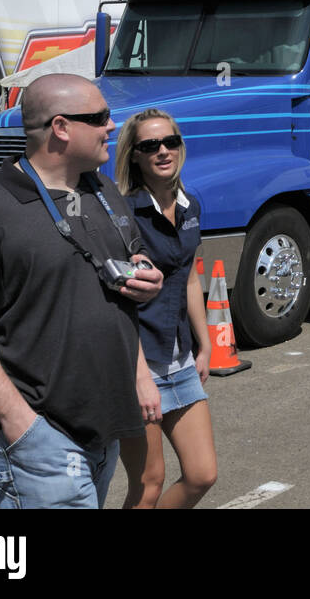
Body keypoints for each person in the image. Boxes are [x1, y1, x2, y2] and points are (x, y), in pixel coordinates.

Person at [0, 74, 163, 508]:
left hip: (101, 426)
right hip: (40, 437)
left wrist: (147, 274)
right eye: (99, 118)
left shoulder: (100, 190)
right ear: (60, 128)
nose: (112, 127)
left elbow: (132, 258)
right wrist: (18, 420)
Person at [115, 108, 217, 509]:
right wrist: (139, 375)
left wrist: (204, 345)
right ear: (135, 155)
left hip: (180, 360)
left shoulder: (190, 206)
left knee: (201, 474)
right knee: (148, 484)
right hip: (141, 365)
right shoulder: (124, 216)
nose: (163, 151)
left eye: (170, 142)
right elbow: (117, 302)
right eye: (150, 145)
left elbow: (189, 277)